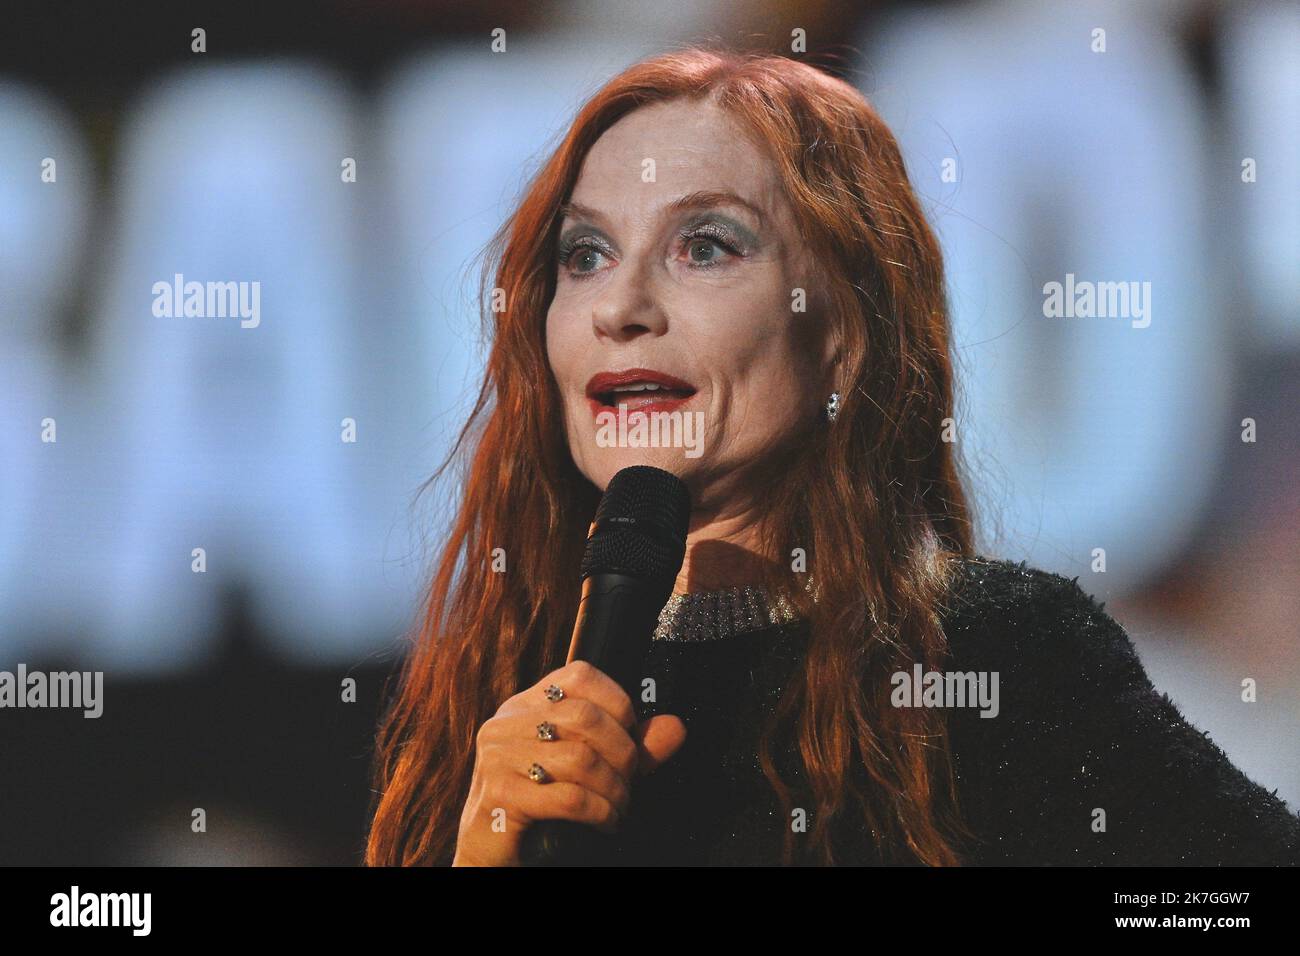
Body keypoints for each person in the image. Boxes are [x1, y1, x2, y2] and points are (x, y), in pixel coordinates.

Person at [364, 46, 1300, 866]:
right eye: (586, 254)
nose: (620, 307)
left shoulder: (986, 657)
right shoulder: (496, 696)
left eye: (704, 245)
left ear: (842, 336)